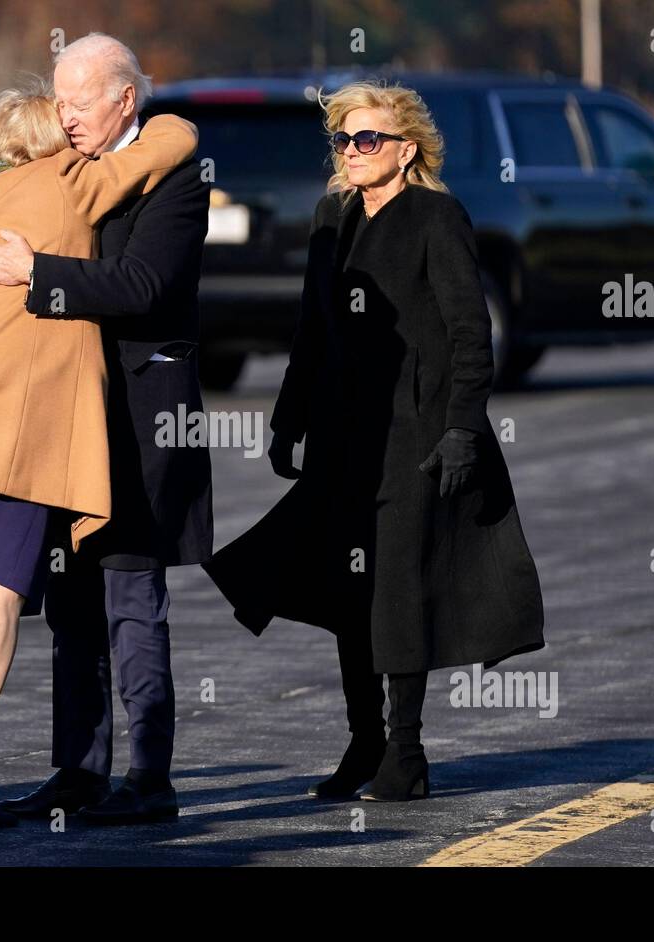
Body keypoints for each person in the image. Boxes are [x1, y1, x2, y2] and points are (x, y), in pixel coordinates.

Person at [202, 80, 545, 802]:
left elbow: (468, 333)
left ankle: (407, 754)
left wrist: (461, 429)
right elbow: (311, 329)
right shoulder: (333, 216)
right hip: (340, 436)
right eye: (343, 139)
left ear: (406, 148)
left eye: (368, 139)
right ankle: (365, 741)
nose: (352, 152)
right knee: (348, 590)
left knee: (397, 589)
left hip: (413, 436)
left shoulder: (436, 216)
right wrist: (289, 416)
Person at [0, 80, 197, 826]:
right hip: (17, 432)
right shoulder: (71, 183)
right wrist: (144, 108)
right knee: (2, 593)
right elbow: (178, 136)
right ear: (52, 143)